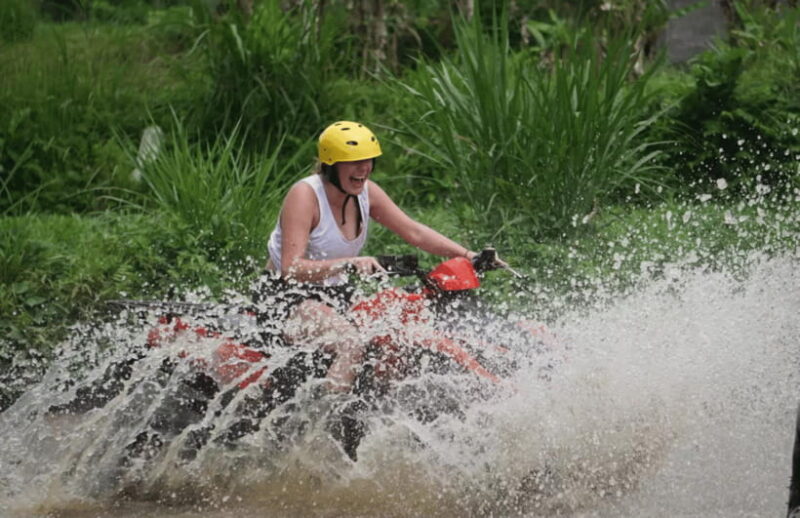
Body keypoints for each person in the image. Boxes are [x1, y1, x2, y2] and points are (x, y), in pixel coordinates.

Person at [261, 120, 479, 391]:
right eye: (353, 161)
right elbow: (290, 269)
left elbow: (415, 233)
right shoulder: (305, 195)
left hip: (337, 293)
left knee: (394, 339)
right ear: (331, 165)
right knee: (351, 343)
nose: (363, 168)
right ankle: (328, 418)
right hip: (286, 297)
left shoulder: (367, 193)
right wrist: (348, 263)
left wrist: (469, 255)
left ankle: (377, 415)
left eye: (368, 160)